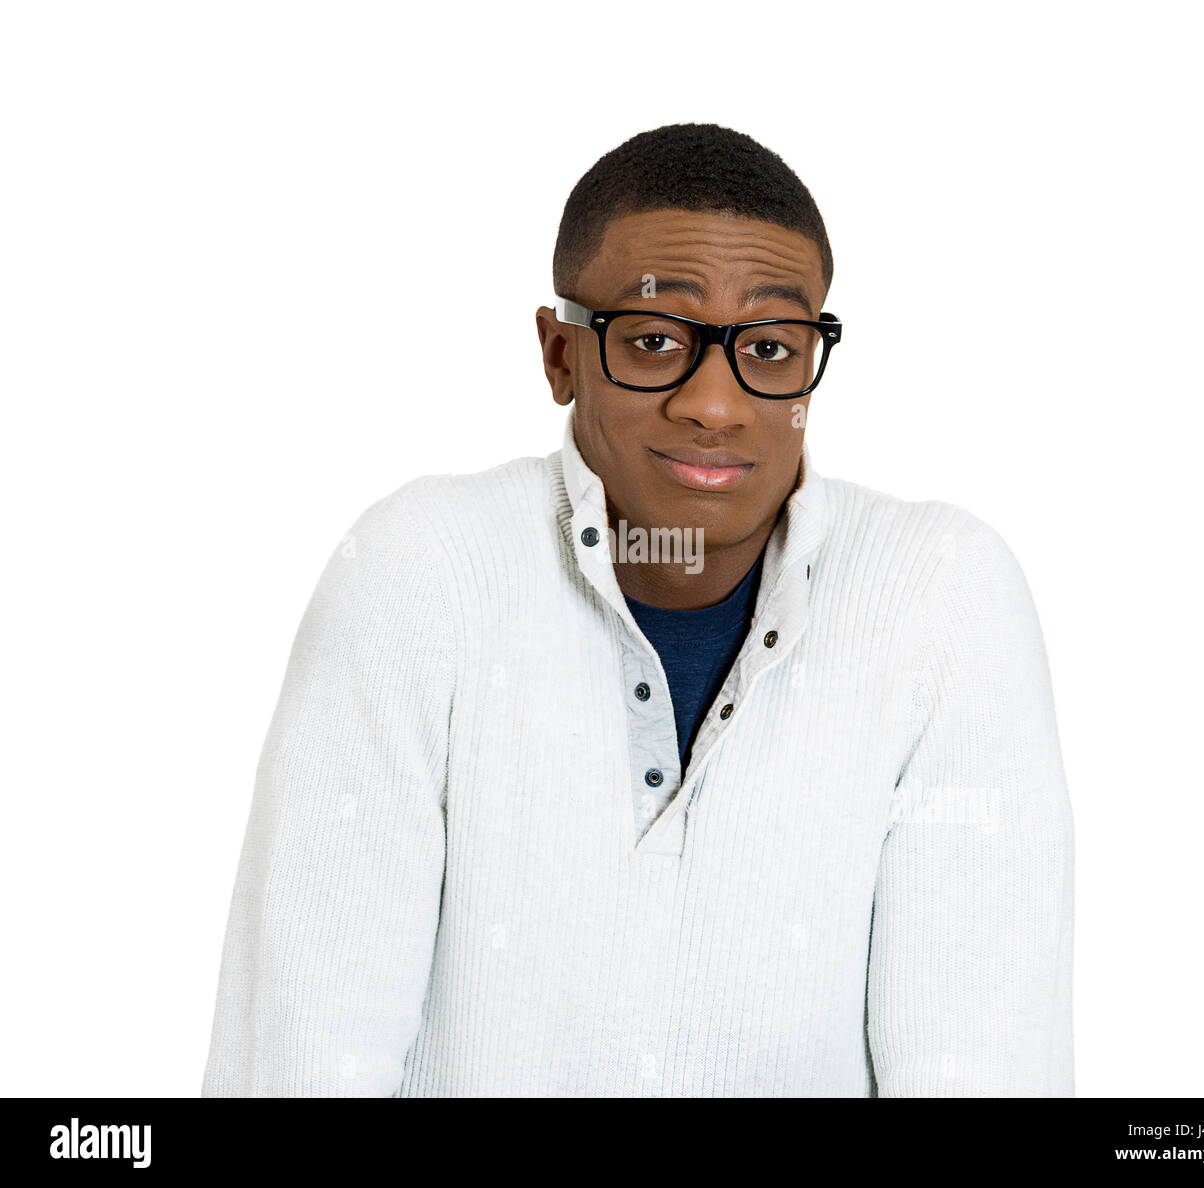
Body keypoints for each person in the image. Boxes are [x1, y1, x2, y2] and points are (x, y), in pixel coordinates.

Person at [201, 122, 1075, 1097]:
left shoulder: (939, 595)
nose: (715, 402)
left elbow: (982, 1061)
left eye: (771, 347)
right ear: (560, 353)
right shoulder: (423, 570)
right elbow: (302, 1050)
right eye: (655, 341)